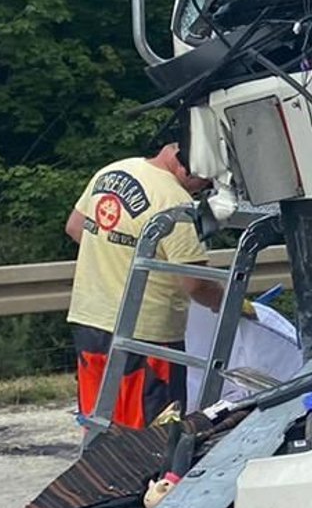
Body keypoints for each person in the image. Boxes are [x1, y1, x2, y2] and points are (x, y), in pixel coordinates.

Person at [65, 130, 215, 429]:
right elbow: (195, 282)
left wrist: (117, 256)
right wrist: (231, 303)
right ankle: (149, 477)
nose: (204, 189)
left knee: (99, 422)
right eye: (206, 181)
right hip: (148, 335)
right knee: (152, 433)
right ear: (190, 165)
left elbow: (75, 226)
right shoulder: (174, 201)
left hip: (90, 318)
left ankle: (99, 473)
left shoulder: (112, 171)